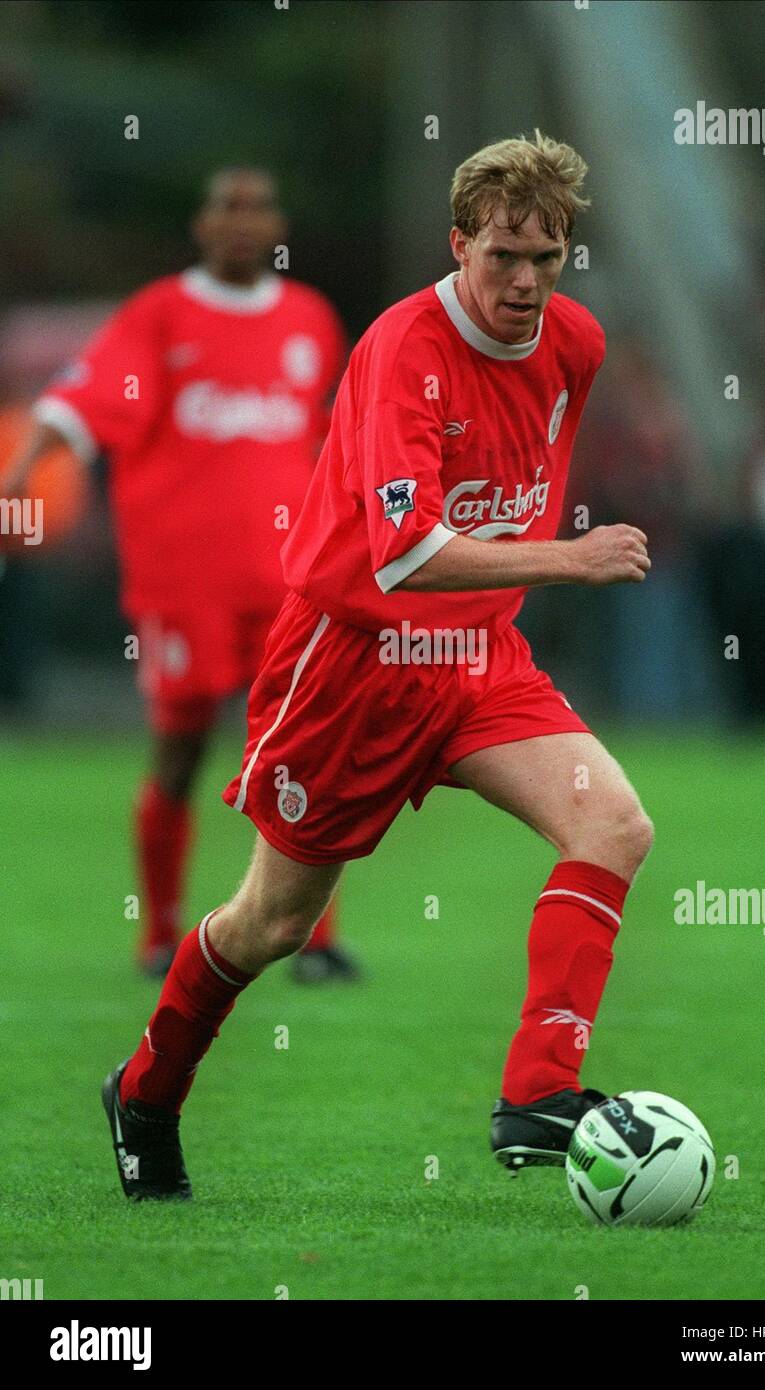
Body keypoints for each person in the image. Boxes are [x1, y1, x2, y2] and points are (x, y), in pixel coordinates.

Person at [102, 131, 654, 1201]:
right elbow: (405, 557)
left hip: (477, 658)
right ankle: (146, 1088)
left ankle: (537, 1093)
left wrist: (521, 583)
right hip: (349, 664)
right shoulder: (401, 348)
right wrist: (572, 558)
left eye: (545, 258)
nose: (524, 282)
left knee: (613, 825)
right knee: (272, 924)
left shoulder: (572, 345)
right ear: (458, 245)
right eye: (501, 255)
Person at [4, 168, 360, 982]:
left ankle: (316, 937)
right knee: (183, 749)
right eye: (226, 208)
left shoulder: (310, 320)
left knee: (307, 754)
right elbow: (84, 399)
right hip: (183, 580)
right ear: (201, 225)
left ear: (279, 223)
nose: (243, 222)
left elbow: (338, 435)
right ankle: (159, 934)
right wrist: (27, 462)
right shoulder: (161, 314)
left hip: (289, 582)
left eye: (258, 207)